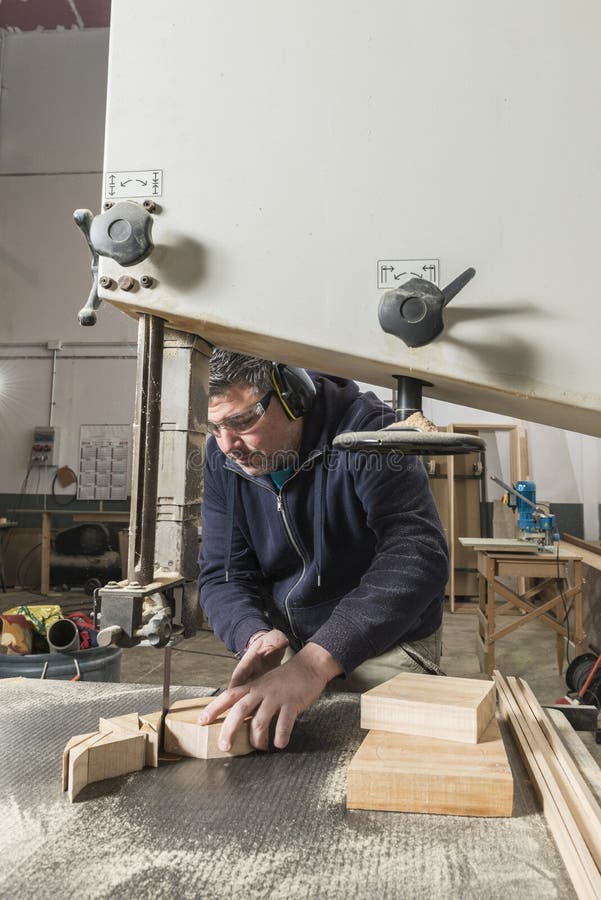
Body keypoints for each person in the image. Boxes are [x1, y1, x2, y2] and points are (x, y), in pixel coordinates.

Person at [198, 350, 449, 752]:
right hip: (291, 649)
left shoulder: (369, 431)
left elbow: (416, 554)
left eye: (242, 421)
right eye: (214, 427)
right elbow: (223, 572)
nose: (228, 445)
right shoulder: (221, 457)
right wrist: (253, 636)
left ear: (293, 395)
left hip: (385, 641)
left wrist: (316, 663)